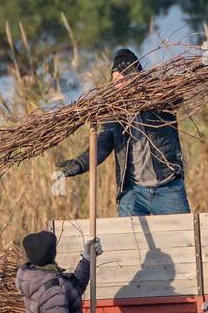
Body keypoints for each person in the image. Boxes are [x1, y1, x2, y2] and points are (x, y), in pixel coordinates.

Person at [58, 48, 190, 216]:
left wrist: (144, 83)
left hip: (168, 187)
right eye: (115, 81)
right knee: (128, 240)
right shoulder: (114, 111)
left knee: (183, 238)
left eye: (124, 79)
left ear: (136, 76)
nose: (119, 86)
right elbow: (103, 143)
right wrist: (80, 163)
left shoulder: (160, 100)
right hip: (133, 192)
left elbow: (178, 94)